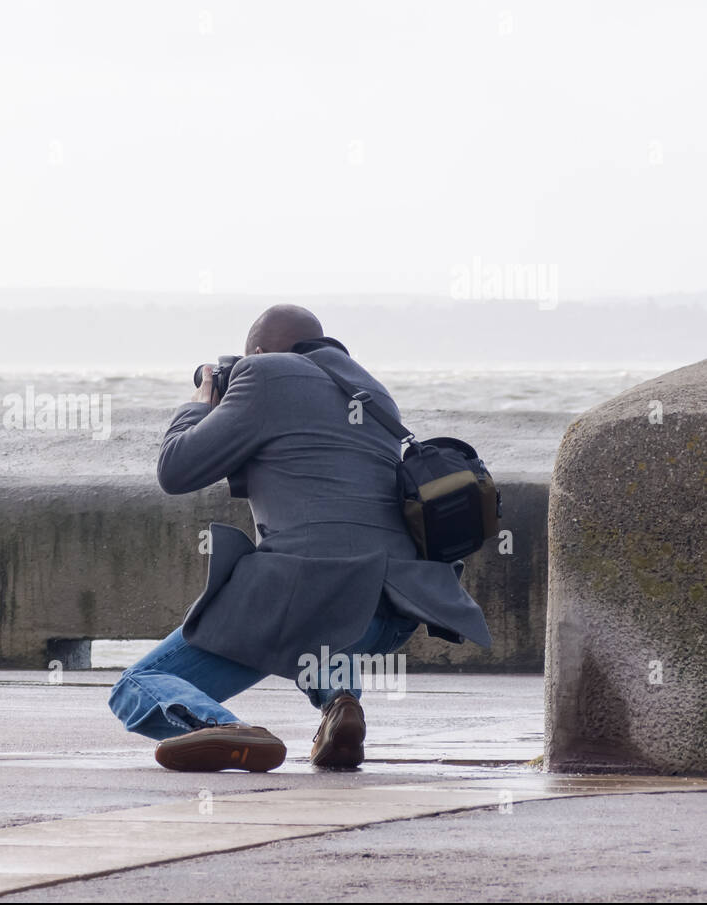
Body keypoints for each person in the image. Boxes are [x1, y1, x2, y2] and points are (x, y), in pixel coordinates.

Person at [108, 304, 492, 771]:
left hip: (306, 590)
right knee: (323, 639)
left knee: (138, 684)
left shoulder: (262, 373)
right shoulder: (373, 394)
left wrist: (200, 403)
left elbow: (176, 469)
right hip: (394, 604)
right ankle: (340, 705)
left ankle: (216, 727)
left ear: (258, 350)